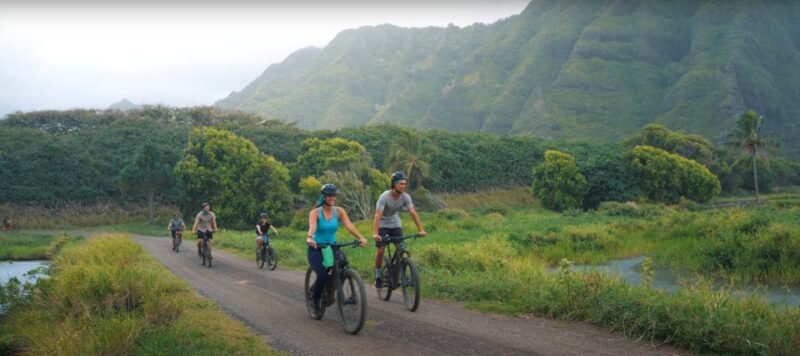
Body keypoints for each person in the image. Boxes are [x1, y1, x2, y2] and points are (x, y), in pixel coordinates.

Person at [306, 183, 367, 315]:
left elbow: (349, 225)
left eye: (334, 195)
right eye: (329, 195)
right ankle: (315, 300)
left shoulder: (339, 211)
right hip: (316, 248)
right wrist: (310, 237)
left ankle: (338, 289)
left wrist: (360, 237)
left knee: (343, 264)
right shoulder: (315, 212)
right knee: (322, 275)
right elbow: (312, 226)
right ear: (323, 197)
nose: (332, 198)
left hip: (332, 247)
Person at [372, 172, 427, 288]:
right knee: (381, 250)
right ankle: (378, 275)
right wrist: (375, 233)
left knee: (401, 249)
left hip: (395, 223)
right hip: (382, 224)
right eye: (401, 184)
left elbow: (413, 213)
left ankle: (400, 272)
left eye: (405, 184)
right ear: (394, 184)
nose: (404, 186)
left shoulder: (406, 197)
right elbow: (377, 216)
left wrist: (421, 230)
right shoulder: (385, 196)